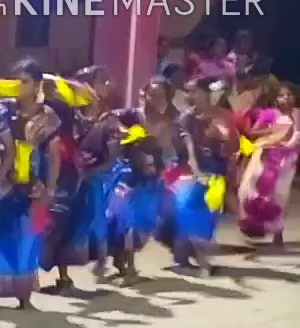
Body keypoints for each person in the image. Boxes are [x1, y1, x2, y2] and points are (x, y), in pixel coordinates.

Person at [0, 58, 62, 309]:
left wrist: (50, 190)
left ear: (37, 85)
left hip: (32, 188)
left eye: (25, 81)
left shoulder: (48, 117)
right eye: (15, 81)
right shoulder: (1, 109)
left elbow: (54, 157)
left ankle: (24, 297)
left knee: (26, 242)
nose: (19, 86)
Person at [44, 65, 121, 291]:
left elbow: (113, 158)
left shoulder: (108, 120)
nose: (107, 85)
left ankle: (103, 261)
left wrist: (87, 173)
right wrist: (74, 86)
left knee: (87, 219)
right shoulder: (68, 113)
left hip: (94, 181)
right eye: (101, 81)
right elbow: (47, 81)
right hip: (64, 176)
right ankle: (62, 276)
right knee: (59, 224)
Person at [159, 76, 237, 276]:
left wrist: (223, 137)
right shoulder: (186, 118)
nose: (190, 95)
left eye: (194, 91)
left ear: (207, 93)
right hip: (190, 174)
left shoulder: (224, 116)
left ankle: (196, 260)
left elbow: (234, 147)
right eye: (188, 91)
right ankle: (185, 261)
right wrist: (192, 167)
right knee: (186, 214)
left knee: (206, 219)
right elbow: (184, 146)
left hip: (215, 174)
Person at [104, 118, 166, 282]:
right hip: (123, 209)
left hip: (135, 210)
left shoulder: (143, 164)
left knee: (128, 234)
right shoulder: (125, 164)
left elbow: (144, 183)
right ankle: (123, 268)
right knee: (119, 235)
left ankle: (130, 270)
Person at [236, 82, 296, 244]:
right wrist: (273, 130)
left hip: (288, 160)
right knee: (254, 189)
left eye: (289, 94)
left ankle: (278, 233)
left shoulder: (297, 115)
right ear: (275, 99)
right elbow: (252, 132)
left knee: (281, 195)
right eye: (282, 95)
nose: (286, 98)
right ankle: (252, 222)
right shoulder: (270, 114)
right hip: (265, 157)